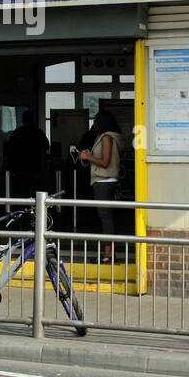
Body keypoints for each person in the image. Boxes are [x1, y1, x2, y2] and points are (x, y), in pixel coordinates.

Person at [77, 110, 122, 264]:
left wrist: (87, 156)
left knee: (106, 219)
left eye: (96, 121)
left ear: (101, 122)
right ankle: (108, 253)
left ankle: (107, 256)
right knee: (106, 218)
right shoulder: (107, 137)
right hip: (106, 181)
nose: (94, 124)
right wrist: (91, 154)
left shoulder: (106, 137)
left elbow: (105, 162)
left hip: (103, 182)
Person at [5, 110, 50, 197]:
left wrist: (11, 168)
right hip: (34, 169)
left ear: (23, 120)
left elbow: (10, 151)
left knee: (20, 194)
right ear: (33, 120)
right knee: (33, 195)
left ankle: (21, 210)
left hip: (19, 169)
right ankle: (32, 210)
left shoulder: (17, 133)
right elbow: (46, 146)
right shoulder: (38, 133)